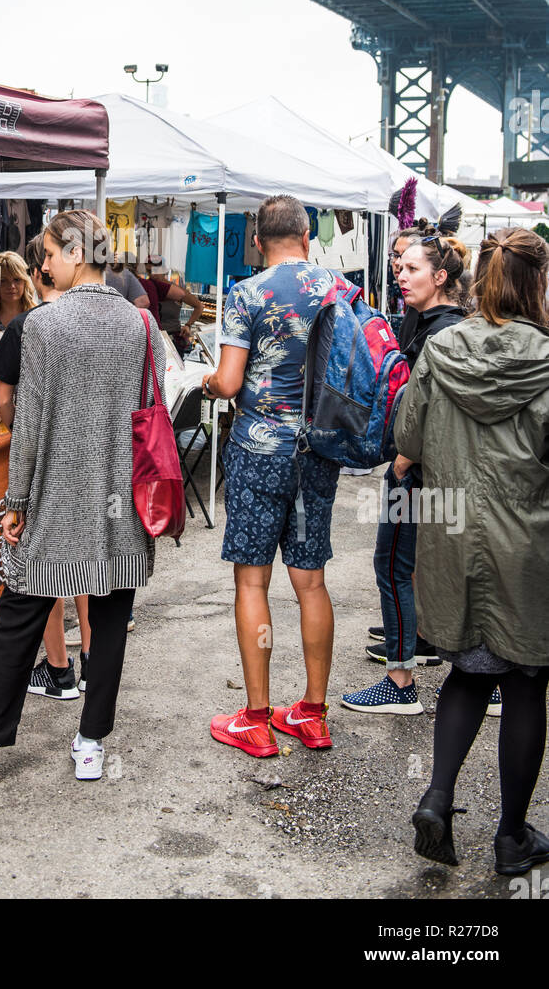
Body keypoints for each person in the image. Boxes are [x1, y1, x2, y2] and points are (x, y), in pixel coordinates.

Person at [0, 208, 167, 787]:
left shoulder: (43, 326)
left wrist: (15, 500)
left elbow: (27, 426)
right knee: (109, 617)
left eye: (51, 255)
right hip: (121, 500)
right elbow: (152, 413)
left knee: (20, 613)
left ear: (76, 253)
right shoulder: (142, 326)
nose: (44, 266)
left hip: (56, 495)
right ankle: (90, 744)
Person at [395, 227, 549, 875]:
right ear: (536, 281)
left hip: (451, 538)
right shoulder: (546, 357)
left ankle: (436, 797)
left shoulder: (442, 346)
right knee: (524, 684)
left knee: (466, 672)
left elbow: (407, 434)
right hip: (525, 545)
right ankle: (510, 837)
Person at [202, 194, 343, 760]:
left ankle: (256, 719)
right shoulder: (335, 290)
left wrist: (209, 383)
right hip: (317, 451)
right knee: (310, 582)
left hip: (259, 450)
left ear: (256, 241)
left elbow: (231, 382)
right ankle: (312, 713)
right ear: (308, 237)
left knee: (253, 583)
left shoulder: (246, 294)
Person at [342, 236, 466, 716]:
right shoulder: (428, 321)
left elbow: (435, 409)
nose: (400, 273)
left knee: (392, 565)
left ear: (440, 278)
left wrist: (402, 462)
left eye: (411, 267)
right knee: (424, 568)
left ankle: (400, 682)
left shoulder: (444, 331)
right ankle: (485, 679)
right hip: (430, 471)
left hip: (418, 472)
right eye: (398, 265)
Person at [0, 233, 92, 701]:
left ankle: (58, 670)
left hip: (38, 465)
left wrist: (17, 432)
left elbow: (3, 401)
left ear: (37, 273)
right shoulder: (90, 324)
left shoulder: (30, 327)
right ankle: (92, 663)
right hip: (86, 461)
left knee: (42, 568)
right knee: (88, 569)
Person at [139, 259, 204, 353]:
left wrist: (188, 325)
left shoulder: (176, 291)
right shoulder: (146, 288)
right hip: (151, 338)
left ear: (164, 270)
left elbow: (199, 306)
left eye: (156, 271)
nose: (153, 275)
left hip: (172, 339)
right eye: (149, 271)